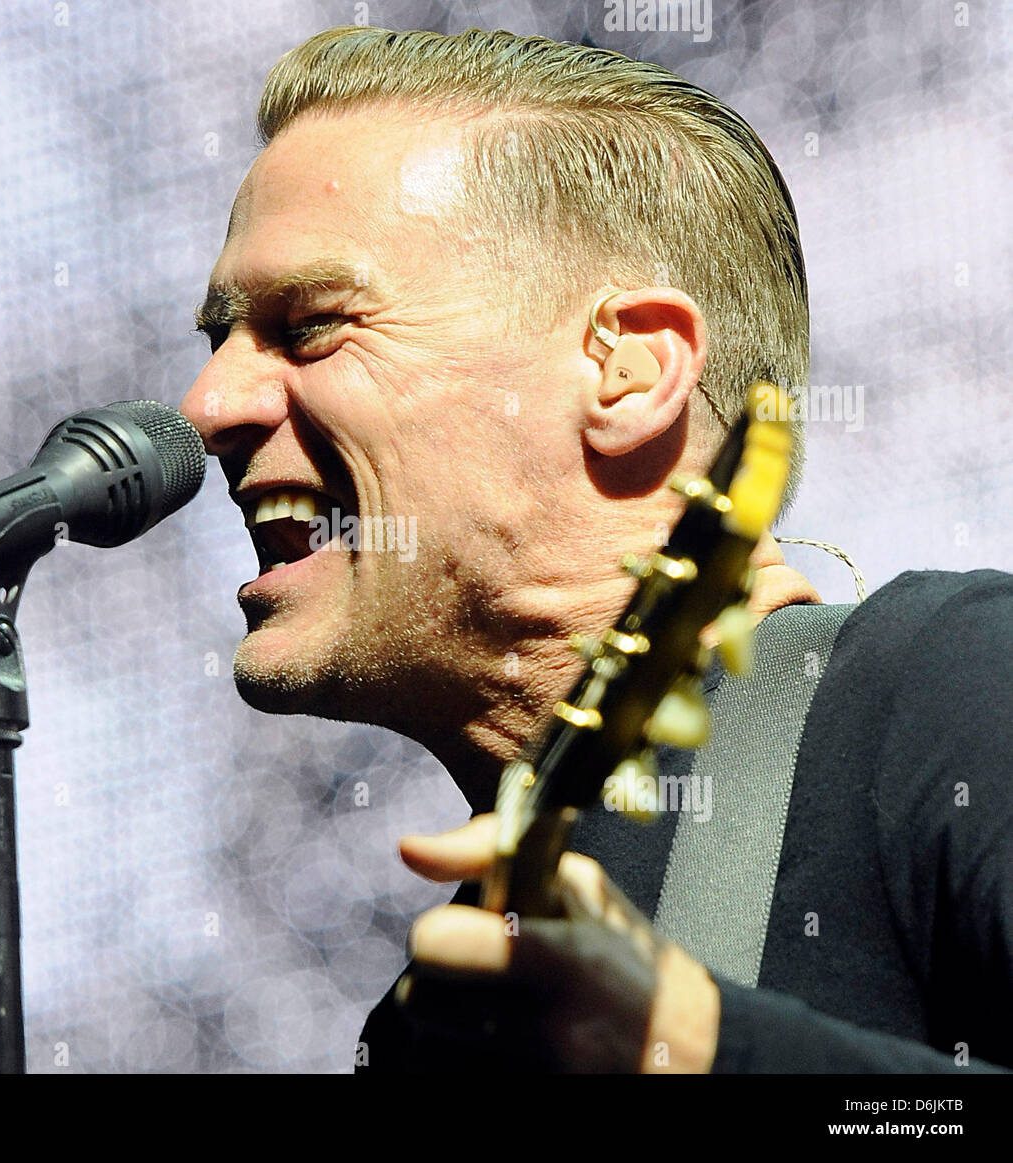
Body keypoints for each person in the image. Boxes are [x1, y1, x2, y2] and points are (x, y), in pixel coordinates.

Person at [178, 26, 1013, 1073]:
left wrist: (696, 1040)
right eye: (219, 341)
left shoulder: (945, 687)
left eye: (310, 325)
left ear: (626, 372)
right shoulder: (430, 1016)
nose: (208, 406)